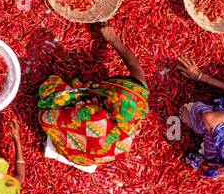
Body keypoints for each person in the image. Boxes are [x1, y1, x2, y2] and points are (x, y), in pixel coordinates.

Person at [37, 22, 149, 169]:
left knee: (51, 92)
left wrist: (78, 92)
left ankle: (66, 145)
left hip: (73, 149)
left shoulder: (90, 114)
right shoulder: (135, 106)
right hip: (93, 158)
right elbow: (135, 67)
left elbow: (47, 118)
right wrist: (113, 39)